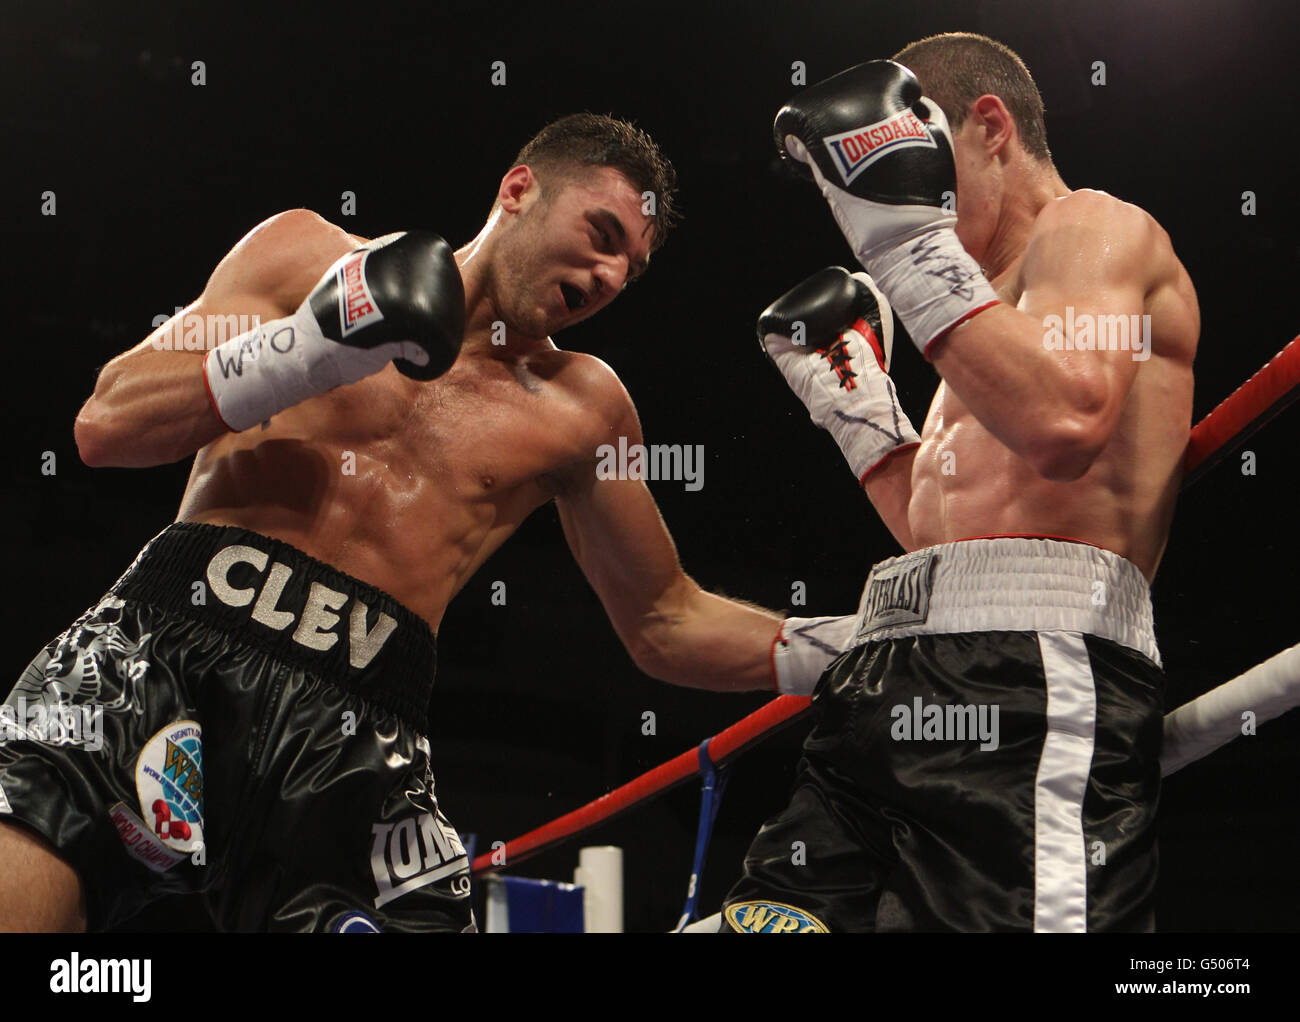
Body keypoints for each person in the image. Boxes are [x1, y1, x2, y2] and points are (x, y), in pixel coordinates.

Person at [0, 114, 821, 933]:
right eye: (601, 233)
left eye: (629, 269)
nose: (608, 274)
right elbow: (106, 425)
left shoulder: (587, 411)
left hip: (354, 731)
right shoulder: (305, 256)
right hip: (162, 647)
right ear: (519, 189)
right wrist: (311, 342)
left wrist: (850, 651)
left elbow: (663, 619)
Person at [723, 33, 1199, 932]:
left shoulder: (1094, 227)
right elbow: (939, 533)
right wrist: (861, 415)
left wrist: (904, 249)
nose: (897, 207)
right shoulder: (977, 328)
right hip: (893, 673)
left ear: (987, 127)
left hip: (1032, 680)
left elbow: (1064, 424)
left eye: (910, 166)